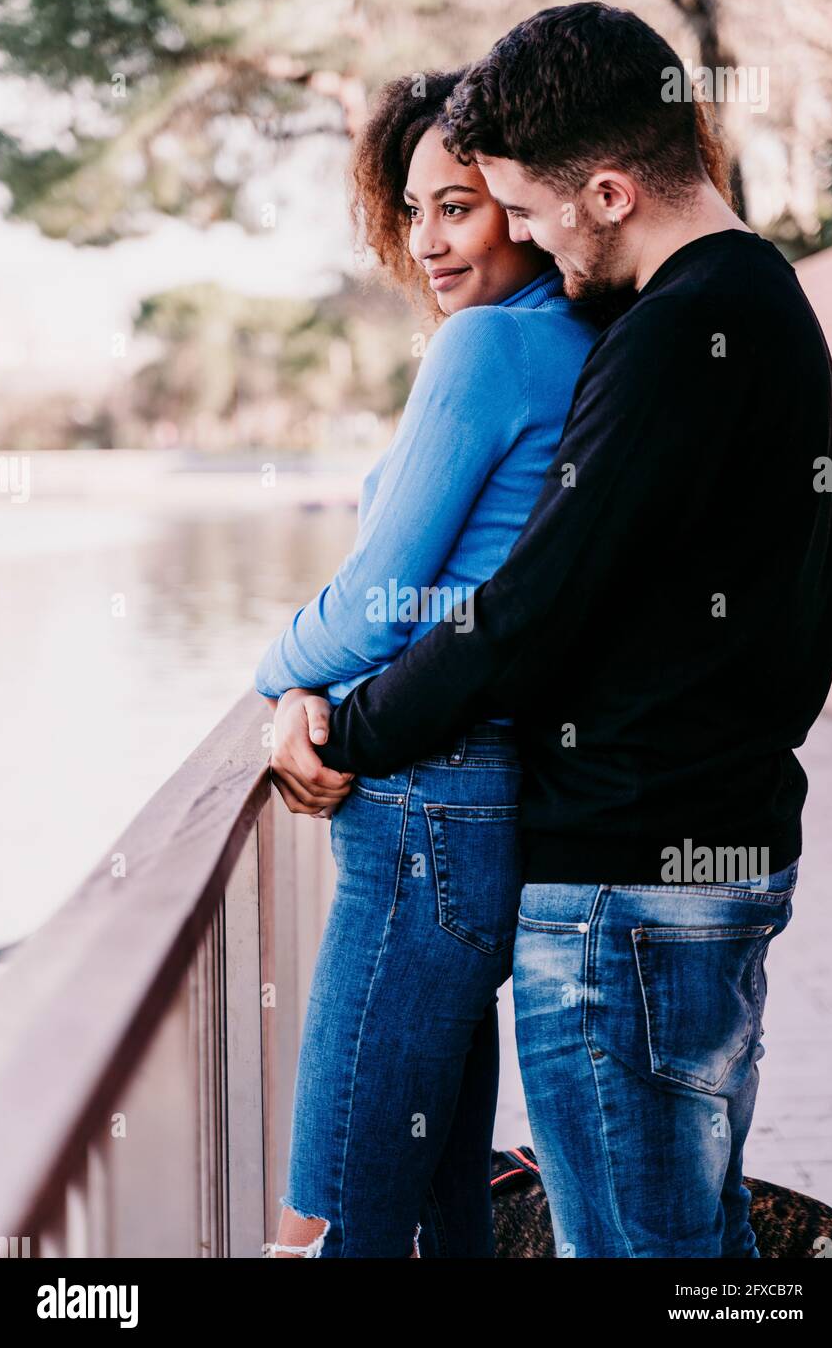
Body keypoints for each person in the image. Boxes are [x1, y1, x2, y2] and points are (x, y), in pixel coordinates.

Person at [268, 4, 832, 1258]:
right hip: (709, 851)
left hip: (629, 890)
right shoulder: (754, 300)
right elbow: (801, 606)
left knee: (639, 1251)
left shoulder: (673, 336)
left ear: (603, 188)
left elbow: (524, 610)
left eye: (516, 208)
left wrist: (340, 726)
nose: (513, 235)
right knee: (687, 1243)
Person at [255, 68, 604, 1257]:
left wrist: (273, 676)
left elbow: (370, 608)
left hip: (417, 803)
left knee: (346, 1197)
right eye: (412, 210)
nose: (427, 242)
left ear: (523, 194)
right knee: (443, 1184)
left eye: (456, 204)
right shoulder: (590, 339)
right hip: (490, 795)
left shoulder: (484, 351)